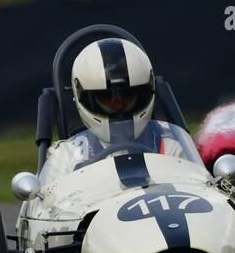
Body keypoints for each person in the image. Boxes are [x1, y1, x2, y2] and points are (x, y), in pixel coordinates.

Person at [40, 38, 188, 180]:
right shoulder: (66, 157)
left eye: (127, 95)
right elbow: (45, 203)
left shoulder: (170, 146)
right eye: (106, 98)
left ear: (145, 93)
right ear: (84, 98)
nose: (118, 105)